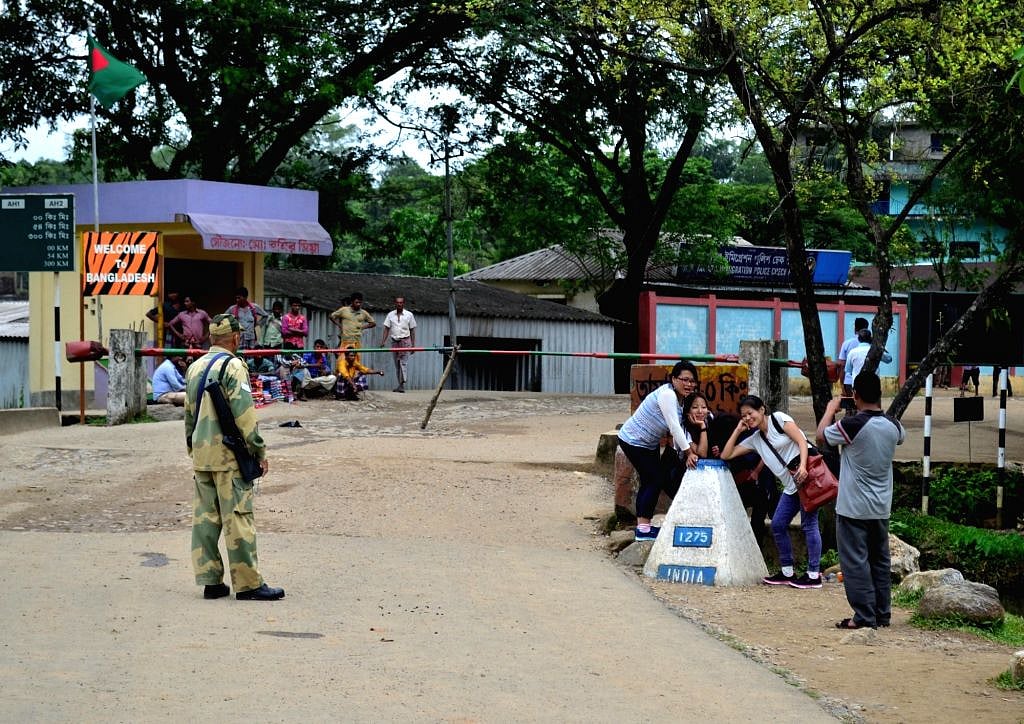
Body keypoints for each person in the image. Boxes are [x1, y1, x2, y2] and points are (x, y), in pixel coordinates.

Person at [184, 313, 284, 601]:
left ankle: (211, 582)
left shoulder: (195, 367)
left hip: (202, 452)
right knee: (238, 516)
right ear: (236, 337)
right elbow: (244, 414)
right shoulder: (233, 366)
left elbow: (189, 413)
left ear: (212, 337)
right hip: (228, 455)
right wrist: (258, 450)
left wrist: (192, 447)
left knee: (205, 518)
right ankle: (248, 584)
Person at [816, 371, 905, 629]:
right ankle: (882, 614)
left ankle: (864, 616)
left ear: (855, 395)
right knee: (879, 561)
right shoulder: (893, 426)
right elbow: (900, 437)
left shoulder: (852, 425)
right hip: (881, 507)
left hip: (853, 507)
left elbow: (821, 436)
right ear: (880, 394)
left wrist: (831, 409)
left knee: (855, 563)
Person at [721, 394, 822, 589]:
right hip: (791, 487)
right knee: (778, 524)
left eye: (750, 413)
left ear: (762, 409)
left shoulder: (779, 419)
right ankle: (787, 572)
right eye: (743, 416)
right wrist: (738, 430)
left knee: (809, 524)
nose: (747, 418)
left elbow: (802, 441)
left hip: (806, 479)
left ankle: (813, 574)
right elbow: (727, 454)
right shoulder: (755, 439)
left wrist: (803, 466)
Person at [617, 360, 699, 541]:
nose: (688, 384)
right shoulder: (668, 395)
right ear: (673, 379)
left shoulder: (682, 399)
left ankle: (643, 527)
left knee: (650, 480)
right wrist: (688, 452)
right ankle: (644, 530)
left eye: (692, 381)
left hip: (649, 443)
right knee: (654, 479)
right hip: (633, 440)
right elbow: (674, 427)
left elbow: (680, 427)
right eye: (684, 380)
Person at [379, 296, 417, 393]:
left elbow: (412, 330)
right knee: (397, 364)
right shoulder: (390, 315)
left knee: (403, 363)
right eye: (397, 302)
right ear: (395, 304)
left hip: (405, 342)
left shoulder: (409, 315)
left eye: (401, 302)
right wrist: (383, 341)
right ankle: (400, 385)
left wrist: (413, 345)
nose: (399, 304)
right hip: (395, 342)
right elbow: (386, 329)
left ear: (403, 304)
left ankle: (402, 384)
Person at [837, 317, 869, 398]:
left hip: (849, 382)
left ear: (855, 329)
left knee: (851, 404)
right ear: (867, 329)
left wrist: (842, 384)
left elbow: (842, 366)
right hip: (868, 382)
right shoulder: (872, 345)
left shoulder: (847, 344)